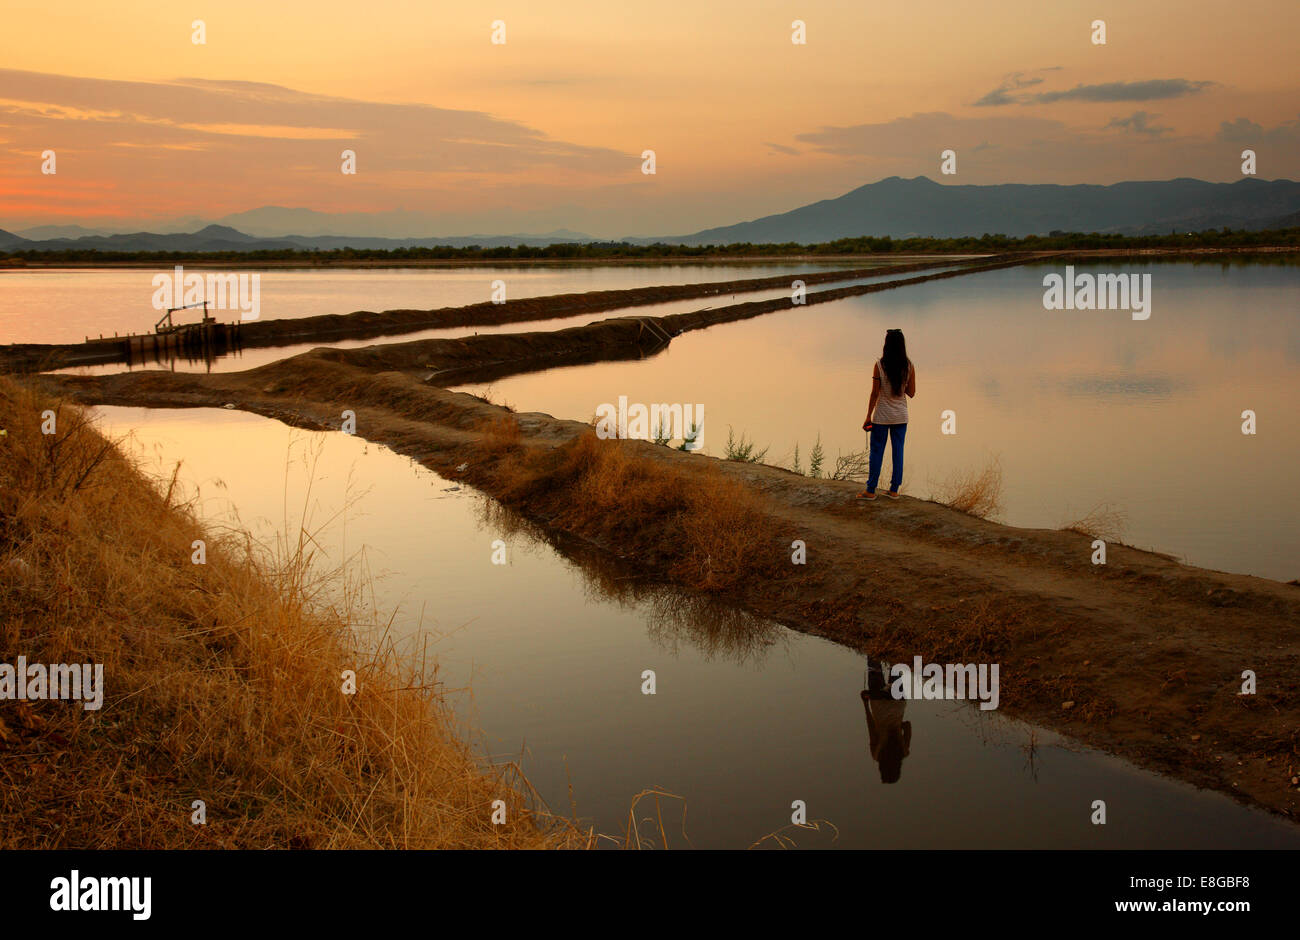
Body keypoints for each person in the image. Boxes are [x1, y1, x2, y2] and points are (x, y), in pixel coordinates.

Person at [858, 328, 915, 500]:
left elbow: (875, 393)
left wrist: (868, 416)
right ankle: (894, 490)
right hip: (901, 416)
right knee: (898, 451)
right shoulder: (909, 365)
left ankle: (870, 490)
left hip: (882, 416)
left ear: (886, 345)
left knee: (877, 451)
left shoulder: (879, 365)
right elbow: (911, 392)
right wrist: (900, 383)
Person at [860, 660, 912, 784]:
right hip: (878, 702)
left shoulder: (904, 752)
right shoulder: (876, 755)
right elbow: (871, 727)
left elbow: (908, 725)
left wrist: (899, 725)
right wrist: (865, 704)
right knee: (873, 665)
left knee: (895, 664)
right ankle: (872, 643)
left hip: (897, 703)